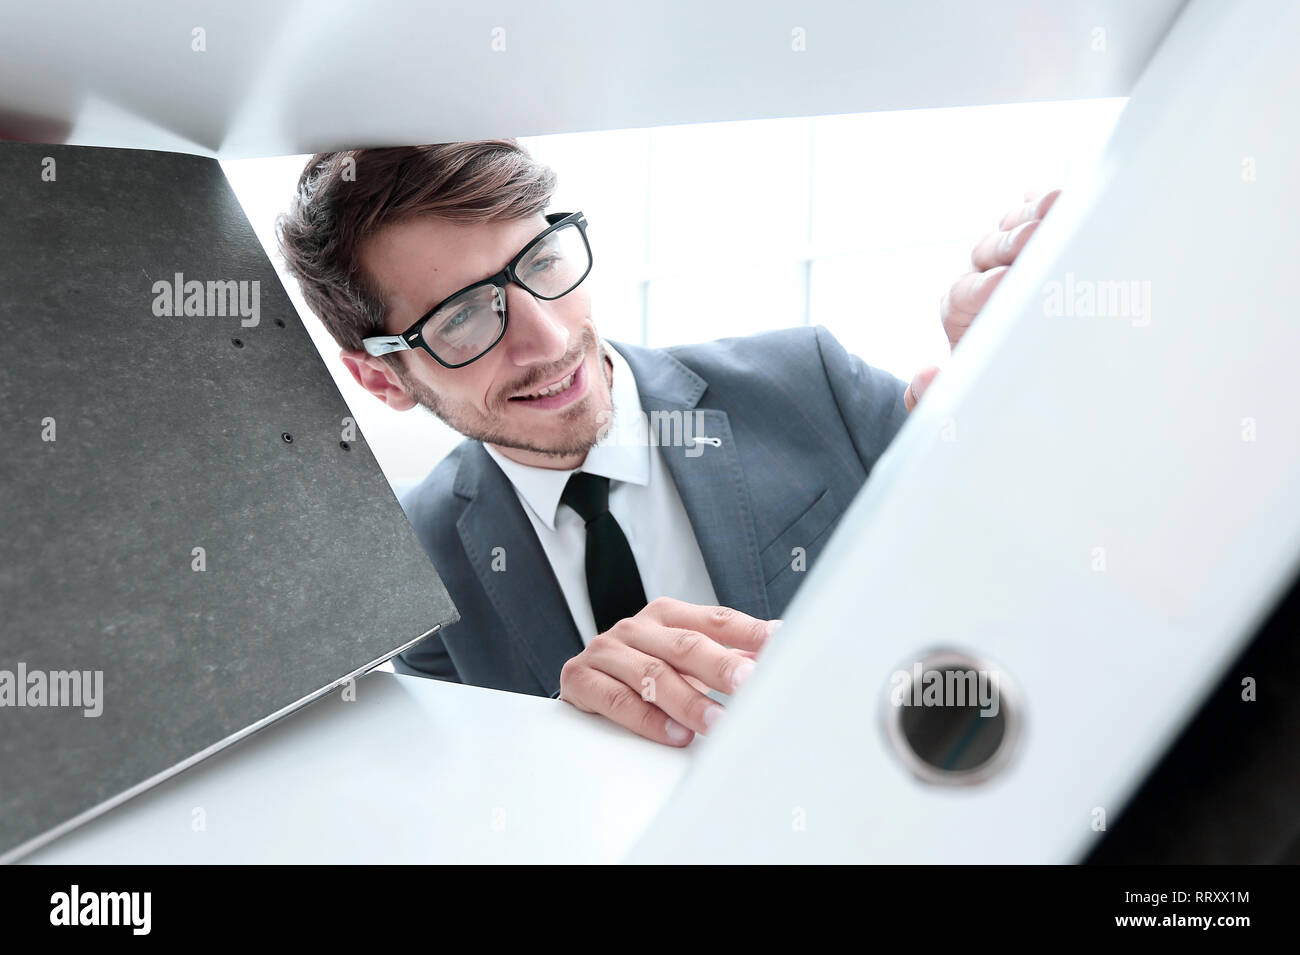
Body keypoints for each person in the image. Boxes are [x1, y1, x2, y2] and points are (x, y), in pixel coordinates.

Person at [277, 140, 1056, 746]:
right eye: (462, 318)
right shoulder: (415, 569)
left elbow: (1020, 577)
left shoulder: (809, 383)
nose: (548, 339)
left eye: (541, 260)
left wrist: (1012, 394)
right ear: (382, 380)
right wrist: (566, 736)